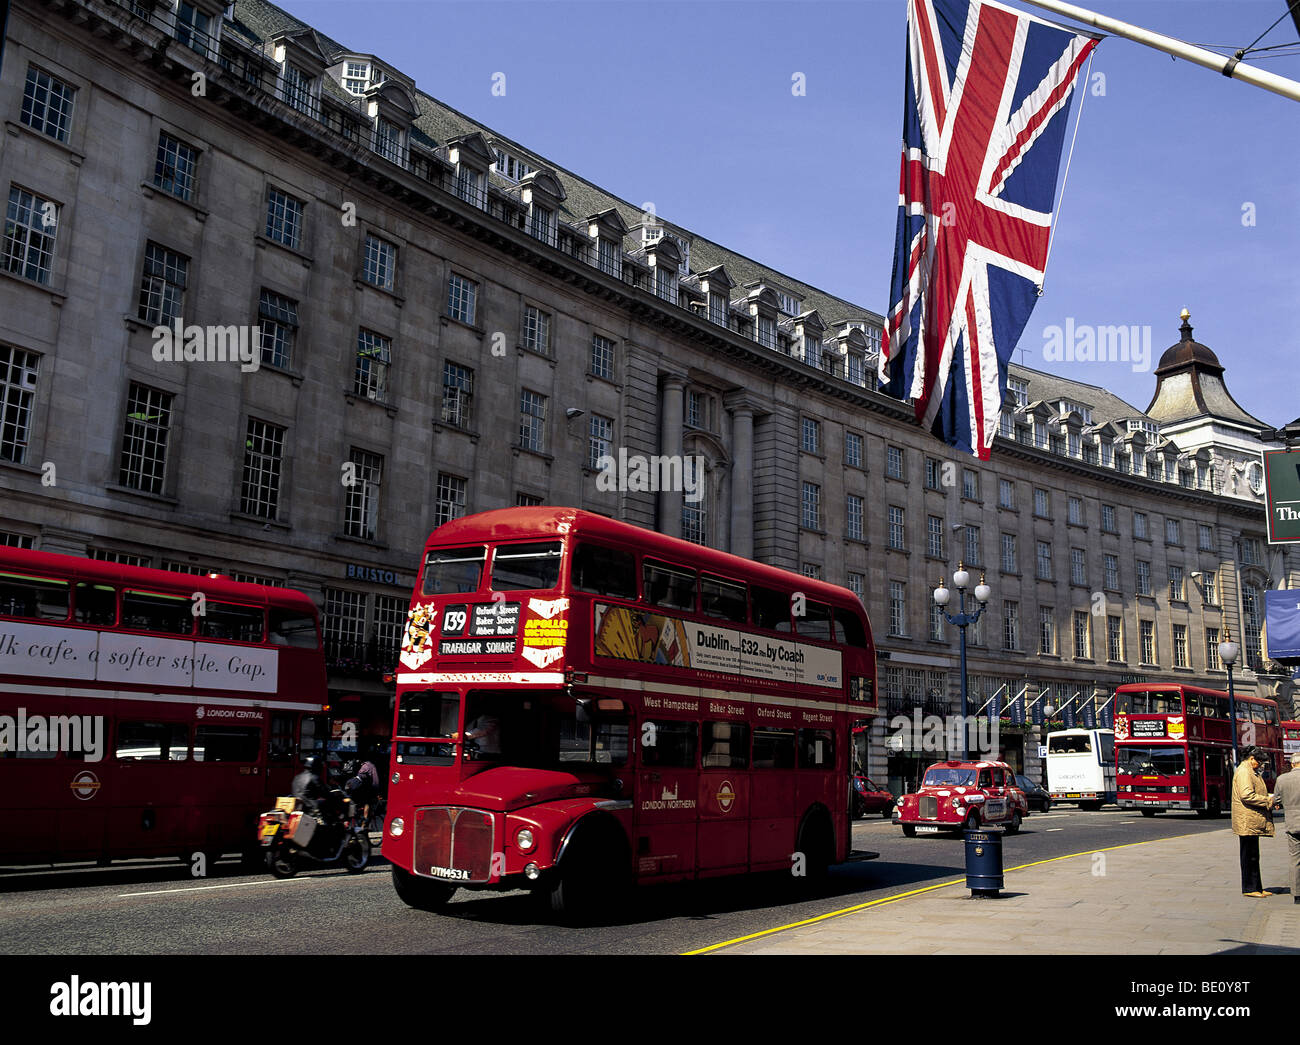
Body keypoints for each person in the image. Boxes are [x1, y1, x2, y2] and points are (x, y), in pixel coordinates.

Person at [1231, 745, 1275, 898]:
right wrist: (1267, 800)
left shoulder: (1250, 771)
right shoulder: (1244, 772)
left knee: (1253, 855)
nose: (1261, 765)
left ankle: (1257, 887)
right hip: (1247, 819)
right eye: (1259, 762)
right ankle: (1250, 888)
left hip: (1251, 819)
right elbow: (1247, 795)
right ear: (1251, 759)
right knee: (1249, 855)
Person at [1271, 752, 1300, 904]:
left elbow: (1276, 800)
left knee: (1295, 859)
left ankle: (1297, 894)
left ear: (1293, 764)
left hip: (1293, 823)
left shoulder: (1282, 779)